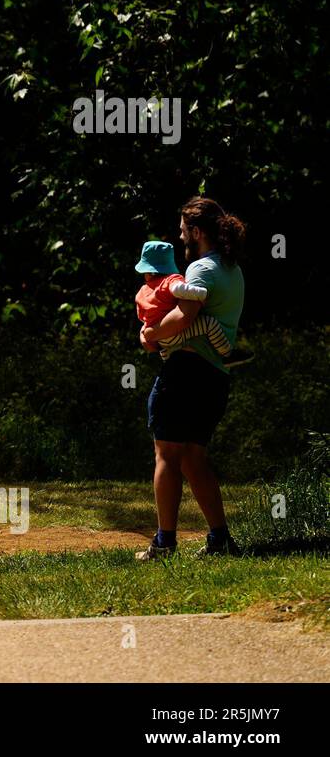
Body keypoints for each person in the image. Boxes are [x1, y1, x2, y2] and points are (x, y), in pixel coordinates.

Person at [136, 198, 247, 560]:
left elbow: (184, 318)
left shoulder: (200, 269)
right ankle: (220, 539)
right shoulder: (232, 269)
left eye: (184, 230)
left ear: (197, 232)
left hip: (186, 371)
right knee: (194, 458)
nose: (181, 235)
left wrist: (150, 335)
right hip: (215, 376)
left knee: (166, 453)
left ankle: (164, 543)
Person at [134, 240, 252, 367]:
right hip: (173, 334)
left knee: (171, 354)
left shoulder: (141, 292)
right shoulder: (170, 279)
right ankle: (227, 353)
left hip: (160, 341)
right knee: (208, 324)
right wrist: (200, 293)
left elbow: (142, 317)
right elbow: (179, 290)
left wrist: (148, 332)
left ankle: (166, 357)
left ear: (146, 272)